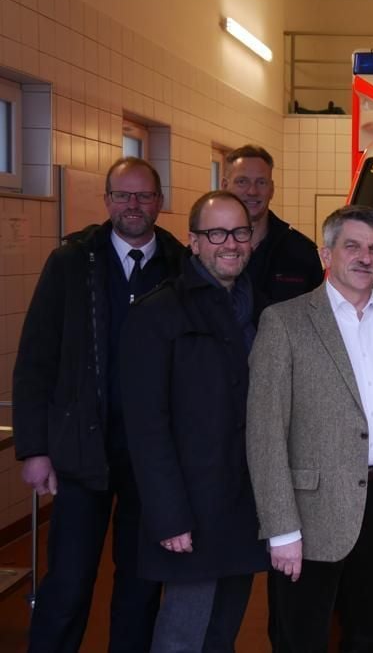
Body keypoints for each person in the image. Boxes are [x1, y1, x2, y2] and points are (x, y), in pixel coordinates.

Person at [12, 157, 185, 652]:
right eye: (122, 195)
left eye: (144, 195)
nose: (133, 205)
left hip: (151, 460)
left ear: (160, 201)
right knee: (66, 585)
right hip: (79, 453)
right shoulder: (71, 261)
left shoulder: (180, 264)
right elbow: (34, 359)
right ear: (107, 200)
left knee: (139, 587)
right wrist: (34, 449)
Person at [247, 205, 373, 652]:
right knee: (301, 636)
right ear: (327, 255)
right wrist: (281, 528)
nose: (364, 257)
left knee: (370, 633)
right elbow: (264, 432)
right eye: (352, 246)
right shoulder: (284, 321)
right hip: (309, 513)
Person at [120, 191, 268, 651]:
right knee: (183, 636)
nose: (231, 243)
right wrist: (168, 517)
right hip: (190, 512)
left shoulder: (260, 309)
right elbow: (146, 427)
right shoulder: (158, 313)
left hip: (243, 506)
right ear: (193, 241)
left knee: (222, 633)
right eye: (216, 233)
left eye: (240, 232)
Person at [222, 144, 323, 303]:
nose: (252, 191)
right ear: (224, 187)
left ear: (272, 189)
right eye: (242, 182)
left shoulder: (302, 253)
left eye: (261, 182)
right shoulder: (207, 252)